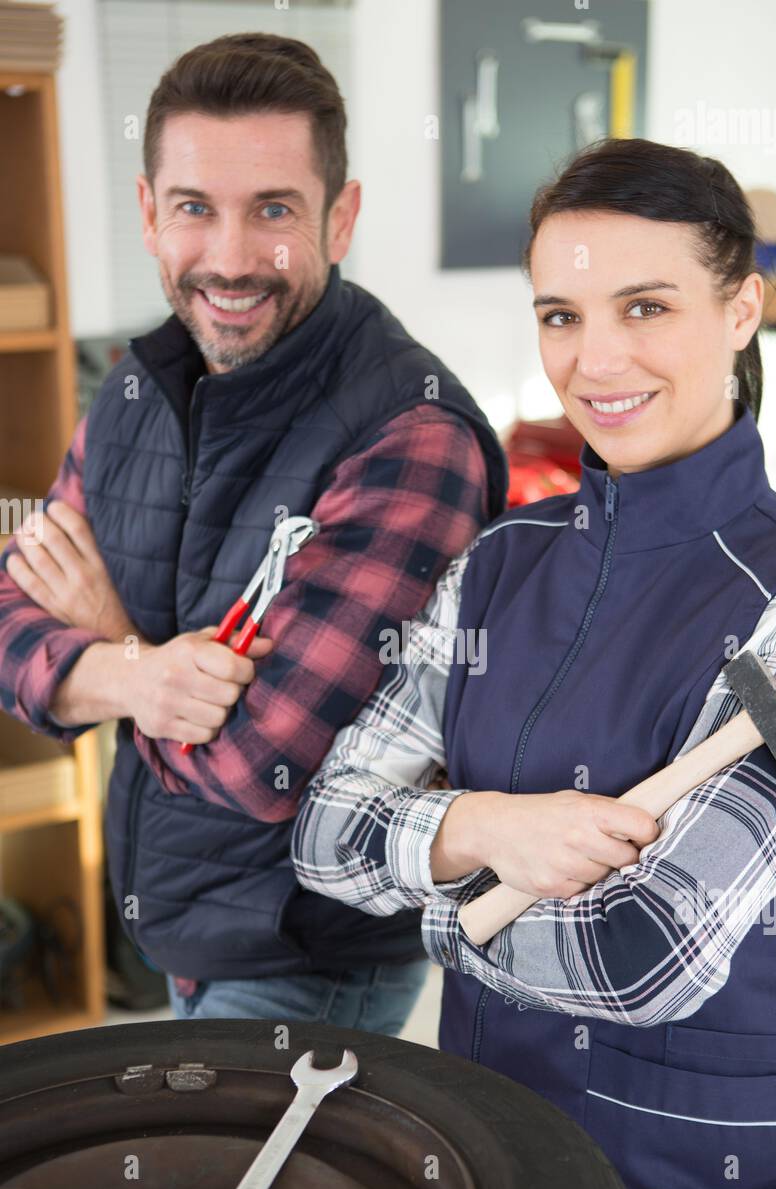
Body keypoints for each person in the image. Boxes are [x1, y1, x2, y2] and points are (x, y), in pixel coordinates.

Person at [292, 137, 776, 1189]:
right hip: (499, 1183)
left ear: (741, 307)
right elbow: (321, 832)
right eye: (560, 314)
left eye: (644, 306)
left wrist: (445, 921)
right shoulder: (495, 568)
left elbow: (640, 952)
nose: (593, 360)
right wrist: (492, 829)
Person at [0, 33, 506, 1033]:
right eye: (195, 208)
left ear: (340, 215)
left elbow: (262, 765)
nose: (229, 259)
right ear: (150, 214)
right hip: (180, 931)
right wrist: (141, 671)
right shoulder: (137, 392)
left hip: (308, 964)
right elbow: (10, 615)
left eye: (272, 210)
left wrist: (100, 644)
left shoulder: (410, 435)